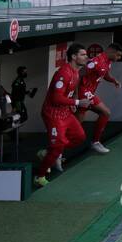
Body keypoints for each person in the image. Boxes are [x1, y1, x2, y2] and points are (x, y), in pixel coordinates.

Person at [36, 43, 91, 187]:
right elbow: (55, 98)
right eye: (83, 55)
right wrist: (78, 102)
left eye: (86, 55)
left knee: (80, 137)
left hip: (65, 112)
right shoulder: (63, 73)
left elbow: (69, 93)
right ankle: (40, 176)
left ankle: (48, 153)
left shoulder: (76, 72)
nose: (86, 57)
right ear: (74, 57)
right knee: (59, 145)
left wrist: (72, 102)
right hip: (53, 114)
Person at [78, 42, 122, 153]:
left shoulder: (107, 62)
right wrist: (75, 96)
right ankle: (95, 142)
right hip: (84, 92)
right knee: (105, 112)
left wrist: (113, 80)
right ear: (111, 51)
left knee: (77, 122)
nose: (118, 58)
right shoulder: (95, 62)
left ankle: (58, 148)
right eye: (117, 55)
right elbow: (79, 74)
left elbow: (105, 74)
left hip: (88, 92)